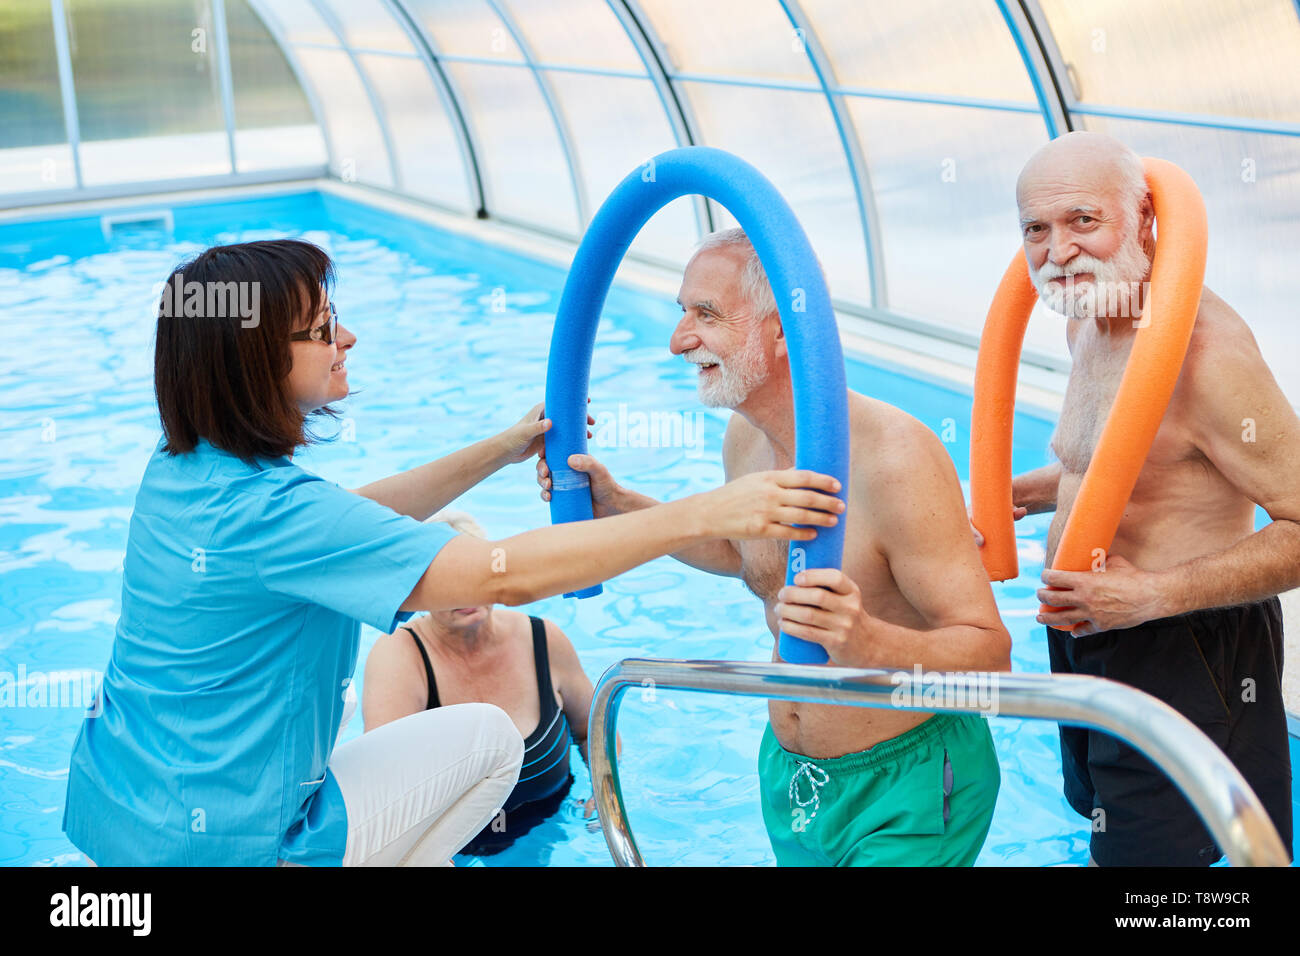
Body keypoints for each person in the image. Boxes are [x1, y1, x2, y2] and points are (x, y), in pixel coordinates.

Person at [61, 238, 845, 867]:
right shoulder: (270, 513)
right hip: (228, 845)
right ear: (258, 362)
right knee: (488, 739)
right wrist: (707, 510)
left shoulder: (182, 470)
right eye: (323, 328)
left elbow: (348, 520)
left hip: (120, 809)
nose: (347, 338)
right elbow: (503, 575)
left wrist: (501, 449)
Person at [538, 228, 1011, 866]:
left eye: (706, 314)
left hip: (910, 785)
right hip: (792, 777)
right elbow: (745, 557)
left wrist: (867, 641)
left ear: (784, 327)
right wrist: (621, 505)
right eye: (683, 312)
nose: (678, 339)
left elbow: (990, 656)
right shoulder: (746, 437)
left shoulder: (896, 459)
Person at [992, 130, 1297, 865]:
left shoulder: (1207, 357)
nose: (1058, 250)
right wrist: (1025, 496)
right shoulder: (1086, 315)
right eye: (1037, 228)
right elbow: (1126, 462)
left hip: (1184, 638)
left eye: (1082, 221)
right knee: (1108, 828)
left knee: (1162, 866)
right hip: (1087, 624)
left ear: (1145, 221)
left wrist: (1155, 595)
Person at [362, 509, 593, 855]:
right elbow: (384, 782)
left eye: (473, 573)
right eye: (445, 579)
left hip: (549, 824)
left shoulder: (542, 638)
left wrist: (604, 796)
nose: (464, 591)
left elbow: (593, 732)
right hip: (449, 847)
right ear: (415, 590)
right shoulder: (400, 655)